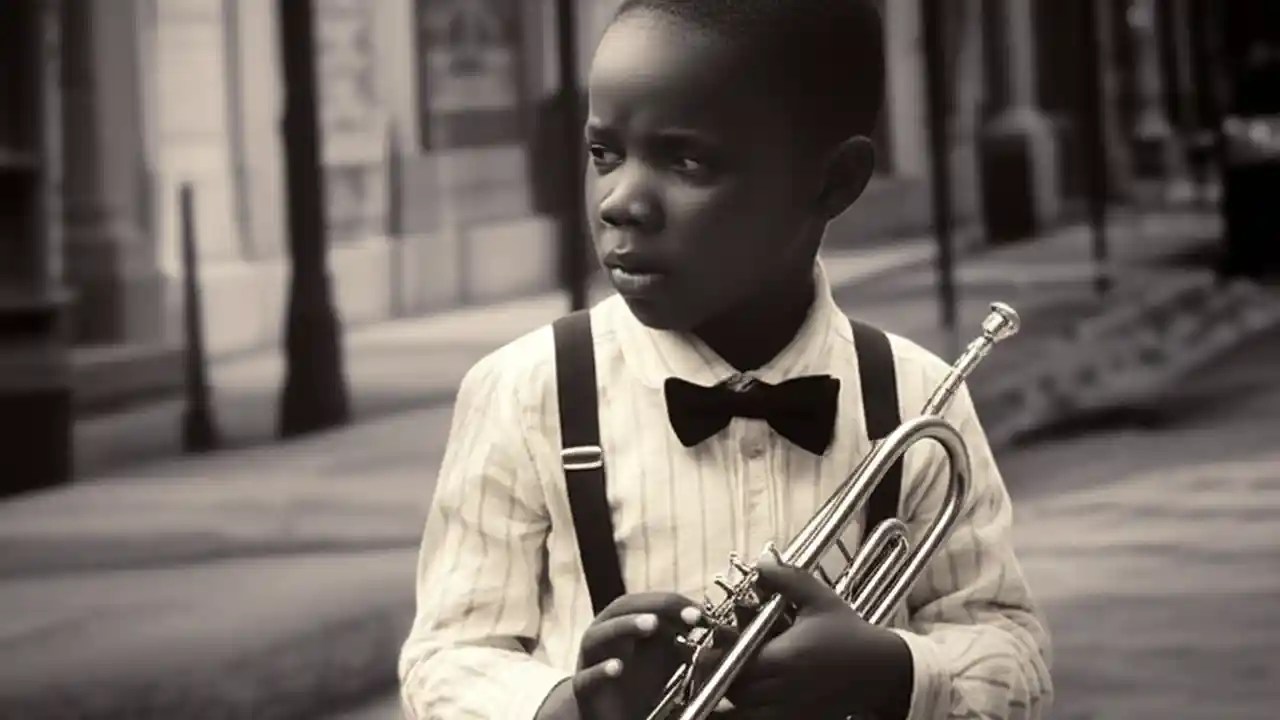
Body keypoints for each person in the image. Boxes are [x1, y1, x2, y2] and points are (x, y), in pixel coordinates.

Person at [398, 1, 1053, 718]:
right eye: (603, 154)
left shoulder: (915, 394)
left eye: (686, 160)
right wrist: (571, 705)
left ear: (833, 182)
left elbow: (1012, 651)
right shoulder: (525, 393)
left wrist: (896, 672)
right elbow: (446, 660)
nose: (620, 201)